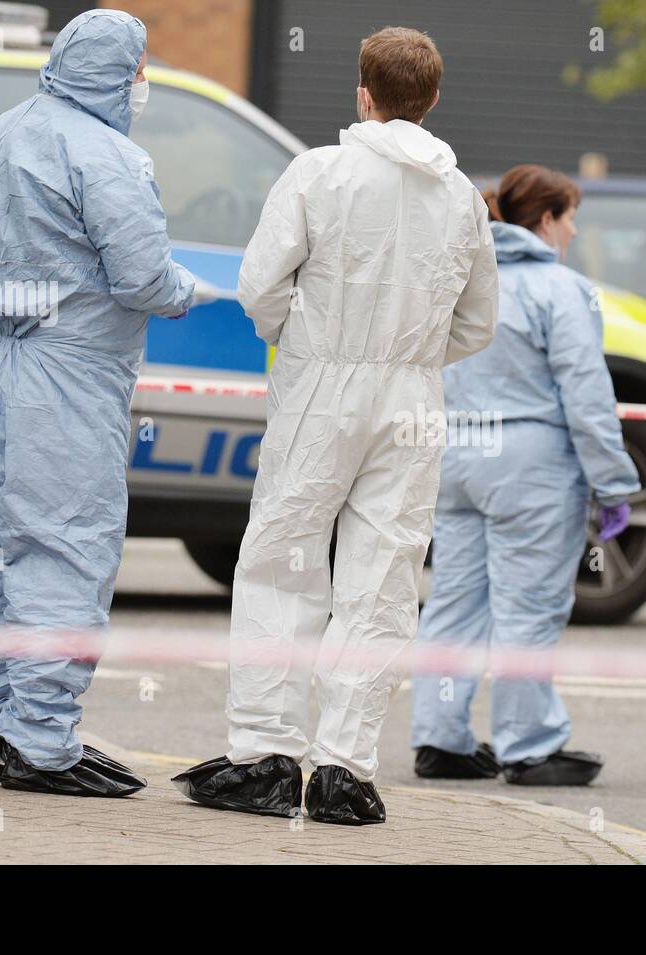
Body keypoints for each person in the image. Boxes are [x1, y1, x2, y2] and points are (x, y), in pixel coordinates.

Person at [172, 27, 498, 825]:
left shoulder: (319, 173)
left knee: (284, 559)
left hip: (324, 386)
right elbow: (480, 320)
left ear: (363, 92)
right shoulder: (461, 197)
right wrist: (415, 358)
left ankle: (264, 754)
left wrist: (303, 338)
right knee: (382, 577)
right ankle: (345, 769)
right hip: (413, 398)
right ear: (431, 100)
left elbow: (258, 287)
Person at [0, 9, 196, 797]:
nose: (145, 81)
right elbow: (143, 276)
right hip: (63, 379)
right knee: (63, 551)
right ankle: (42, 742)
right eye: (142, 67)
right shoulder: (105, 153)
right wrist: (193, 289)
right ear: (121, 74)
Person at [410, 165, 641, 787]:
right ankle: (530, 746)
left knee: (454, 602)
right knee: (529, 608)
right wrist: (615, 482)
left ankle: (440, 737)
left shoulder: (463, 281)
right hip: (531, 466)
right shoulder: (559, 289)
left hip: (457, 457)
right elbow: (586, 394)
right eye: (569, 218)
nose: (571, 231)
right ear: (545, 221)